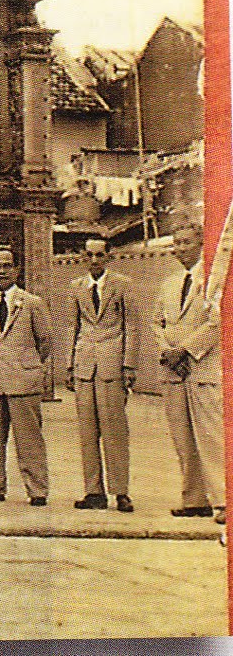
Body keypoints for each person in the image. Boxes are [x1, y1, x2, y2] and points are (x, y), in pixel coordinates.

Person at [154, 224, 225, 524]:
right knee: (182, 438)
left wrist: (184, 350)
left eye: (186, 242)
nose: (179, 248)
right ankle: (194, 500)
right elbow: (156, 323)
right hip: (174, 371)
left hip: (202, 368)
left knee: (210, 436)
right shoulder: (169, 284)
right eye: (176, 243)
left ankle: (223, 502)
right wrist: (168, 352)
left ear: (201, 244)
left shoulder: (213, 281)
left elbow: (217, 322)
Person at [0, 248, 51, 506]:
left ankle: (37, 489)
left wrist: (26, 364)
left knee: (29, 437)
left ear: (17, 269)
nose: (1, 271)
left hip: (23, 380)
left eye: (7, 265)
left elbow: (45, 341)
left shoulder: (32, 303)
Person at [66, 238, 139, 511]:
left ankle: (120, 492)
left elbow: (132, 327)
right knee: (87, 431)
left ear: (108, 256)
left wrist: (129, 365)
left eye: (99, 255)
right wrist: (69, 365)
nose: (94, 260)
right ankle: (93, 492)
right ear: (83, 257)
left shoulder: (123, 285)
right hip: (85, 364)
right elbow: (72, 328)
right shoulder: (76, 287)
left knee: (114, 430)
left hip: (112, 363)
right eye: (89, 255)